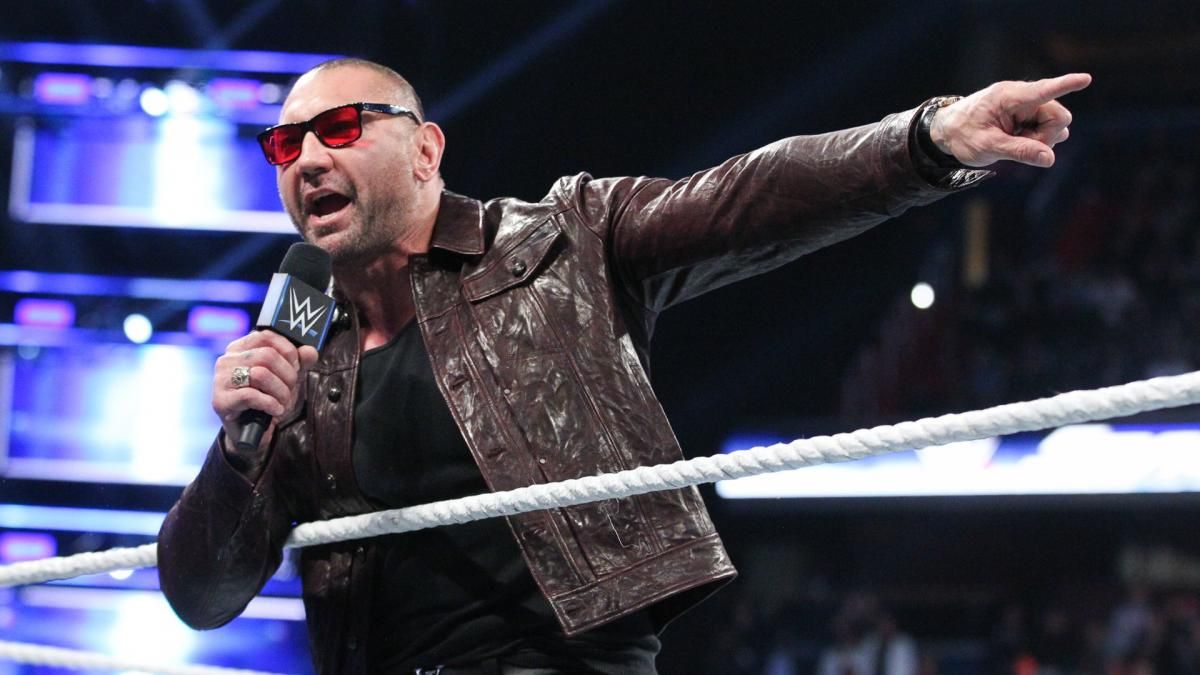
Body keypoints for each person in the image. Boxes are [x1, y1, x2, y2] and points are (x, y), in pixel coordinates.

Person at [157, 57, 1090, 674]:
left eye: (340, 127)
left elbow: (750, 199)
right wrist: (237, 453)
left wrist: (929, 140)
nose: (308, 159)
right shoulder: (298, 369)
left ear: (427, 149)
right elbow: (201, 594)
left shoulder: (558, 241)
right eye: (285, 144)